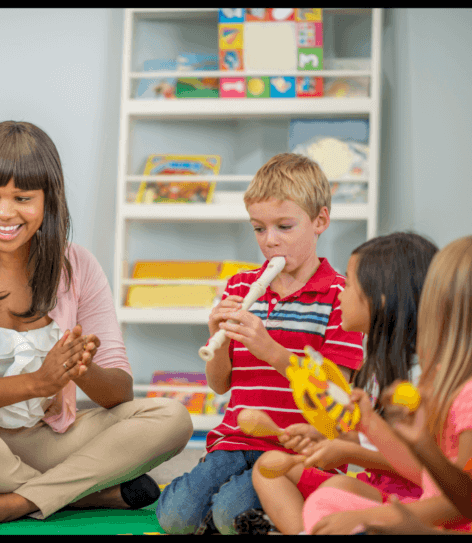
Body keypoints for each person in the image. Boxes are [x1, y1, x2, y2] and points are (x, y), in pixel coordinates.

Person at [0, 121, 193, 525]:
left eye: (23, 198)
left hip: (44, 440)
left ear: (49, 201)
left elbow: (120, 392)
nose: (4, 213)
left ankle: (12, 503)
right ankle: (80, 494)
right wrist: (37, 383)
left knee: (171, 418)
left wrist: (81, 368)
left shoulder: (78, 266)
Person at [156, 153, 365, 534]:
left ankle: (261, 512)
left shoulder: (341, 296)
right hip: (235, 440)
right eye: (259, 228)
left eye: (284, 227)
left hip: (299, 450)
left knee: (228, 515)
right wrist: (218, 340)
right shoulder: (241, 286)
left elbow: (335, 393)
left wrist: (271, 350)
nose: (270, 240)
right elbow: (220, 384)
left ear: (320, 221)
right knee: (174, 517)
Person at [252, 232, 437, 534]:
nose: (340, 294)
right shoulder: (376, 367)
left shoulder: (418, 380)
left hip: (416, 501)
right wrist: (325, 436)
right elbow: (371, 437)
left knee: (335, 488)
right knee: (268, 466)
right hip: (378, 486)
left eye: (349, 284)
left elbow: (422, 469)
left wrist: (349, 453)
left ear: (379, 300)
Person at [303, 235, 472, 534]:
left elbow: (463, 505)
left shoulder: (467, 394)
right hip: (421, 513)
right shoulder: (443, 382)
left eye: (429, 298)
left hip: (429, 520)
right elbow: (433, 480)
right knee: (326, 499)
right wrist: (371, 423)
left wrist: (380, 518)